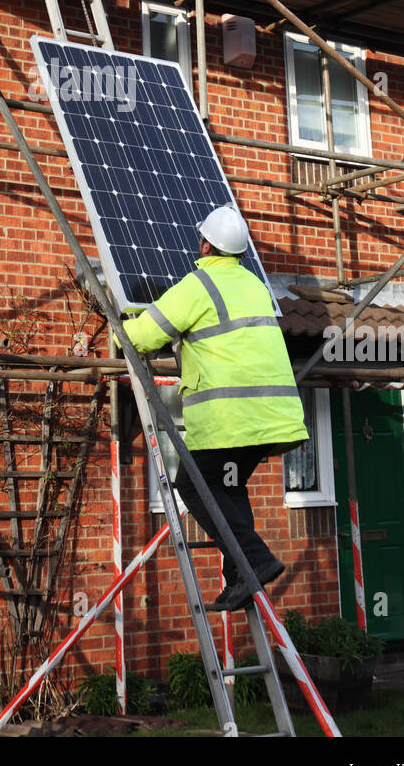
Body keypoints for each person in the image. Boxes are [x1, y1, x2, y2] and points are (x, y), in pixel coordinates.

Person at [121, 204, 308, 611]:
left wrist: (117, 332)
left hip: (230, 421)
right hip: (269, 423)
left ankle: (255, 560)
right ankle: (242, 576)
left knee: (191, 485)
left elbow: (143, 336)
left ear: (205, 244)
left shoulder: (198, 284)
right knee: (228, 487)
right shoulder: (256, 287)